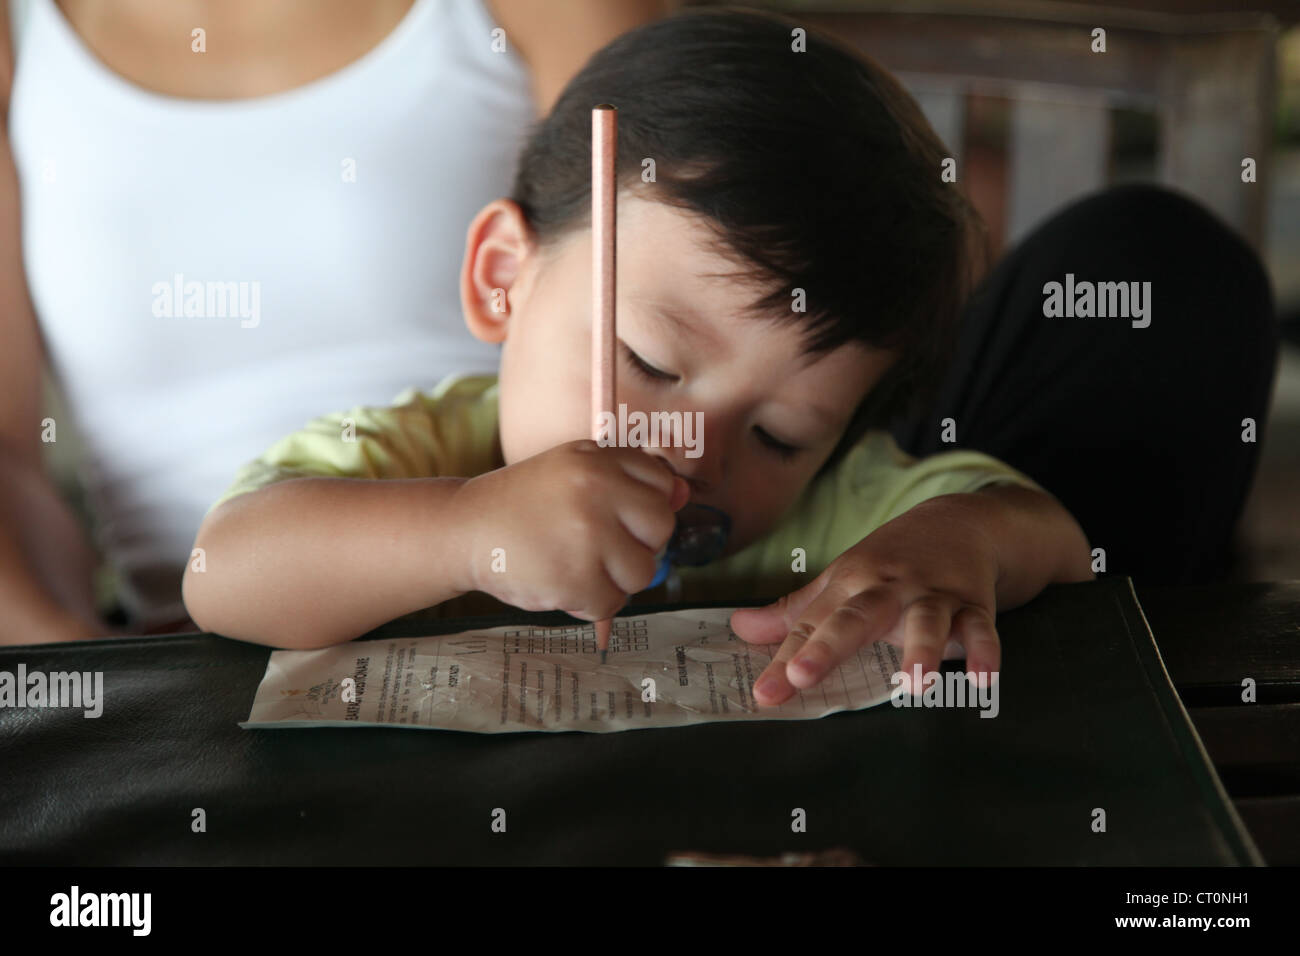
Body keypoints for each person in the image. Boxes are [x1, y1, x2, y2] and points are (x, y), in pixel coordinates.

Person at [184, 7, 1104, 707]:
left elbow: (1053, 539)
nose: (694, 451)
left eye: (781, 436)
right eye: (651, 362)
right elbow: (222, 576)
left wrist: (963, 541)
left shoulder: (838, 518)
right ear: (504, 276)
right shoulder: (420, 452)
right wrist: (468, 532)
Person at [0, 0, 674, 645]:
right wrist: (100, 683)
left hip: (524, 630)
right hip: (178, 669)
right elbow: (8, 459)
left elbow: (683, 295)